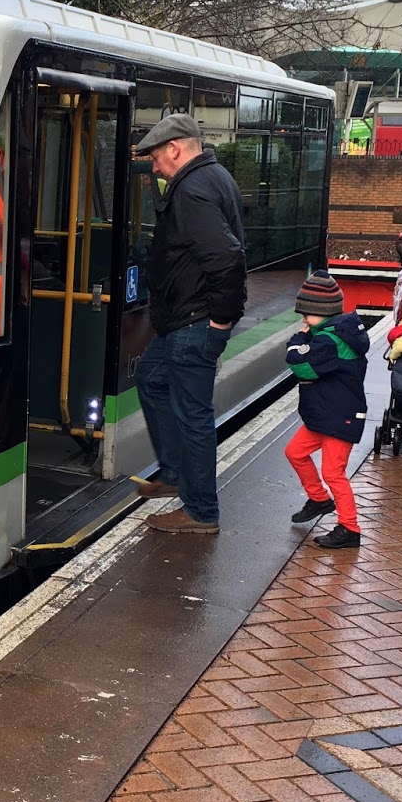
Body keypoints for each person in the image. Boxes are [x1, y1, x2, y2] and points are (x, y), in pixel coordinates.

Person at [131, 113, 247, 535]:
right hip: (185, 320)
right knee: (151, 379)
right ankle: (175, 472)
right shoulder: (214, 177)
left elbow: (227, 258)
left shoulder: (192, 190)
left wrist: (220, 321)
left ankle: (200, 511)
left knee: (192, 416)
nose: (155, 168)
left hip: (195, 322)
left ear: (175, 149)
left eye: (157, 159)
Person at [284, 273, 368, 550]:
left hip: (340, 415)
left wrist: (297, 341)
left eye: (307, 314)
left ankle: (349, 528)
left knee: (334, 472)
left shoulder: (331, 341)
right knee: (295, 452)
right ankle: (319, 498)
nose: (304, 320)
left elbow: (301, 365)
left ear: (322, 312)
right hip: (324, 413)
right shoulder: (331, 333)